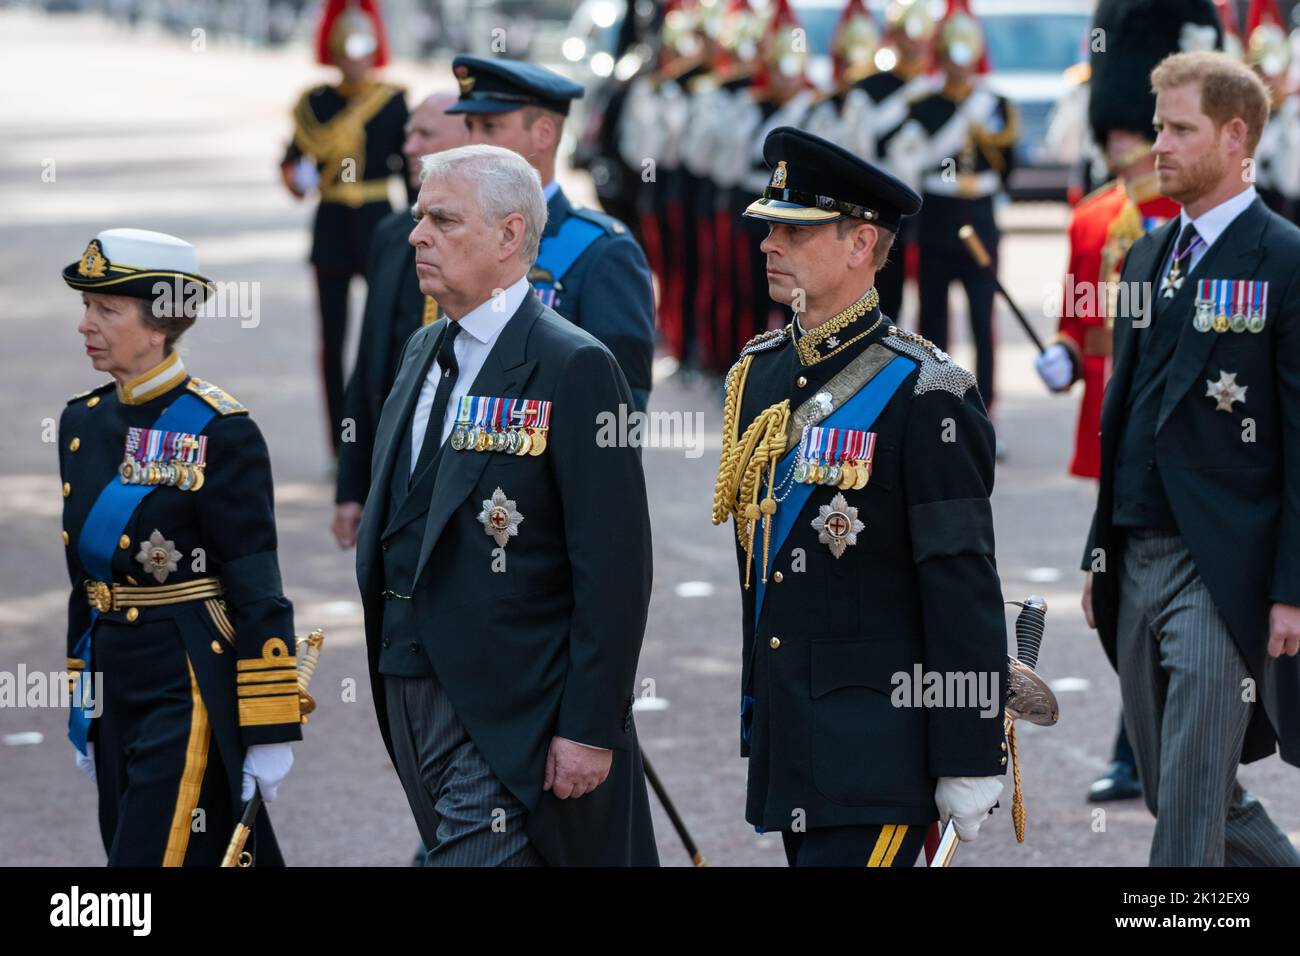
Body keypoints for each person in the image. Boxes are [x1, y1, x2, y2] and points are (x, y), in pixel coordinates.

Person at [712, 127, 1008, 867]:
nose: (768, 244)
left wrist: (970, 749)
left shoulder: (927, 390)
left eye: (793, 230)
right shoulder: (759, 374)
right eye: (770, 226)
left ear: (859, 244)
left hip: (885, 748)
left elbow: (960, 581)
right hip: (794, 737)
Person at [355, 145, 658, 866]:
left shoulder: (573, 364)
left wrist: (591, 726)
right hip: (410, 680)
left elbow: (614, 567)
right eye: (421, 216)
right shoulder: (424, 349)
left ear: (510, 235)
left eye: (443, 220)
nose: (417, 235)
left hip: (512, 698)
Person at [1081, 50, 1300, 866]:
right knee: (1181, 788)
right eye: (1157, 126)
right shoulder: (1147, 256)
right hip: (1135, 558)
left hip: (1223, 567)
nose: (1156, 146)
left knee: (1190, 804)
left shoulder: (1284, 259)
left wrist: (1291, 591)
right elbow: (1125, 418)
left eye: (1179, 129)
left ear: (1236, 135)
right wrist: (1098, 552)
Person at [59, 229, 300, 865]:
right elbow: (84, 581)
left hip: (185, 675)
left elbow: (256, 585)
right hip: (114, 675)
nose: (86, 323)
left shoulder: (223, 431)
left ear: (161, 323)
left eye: (107, 310)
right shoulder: (81, 421)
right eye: (86, 306)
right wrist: (83, 702)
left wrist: (271, 725)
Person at [1035, 0, 1221, 803]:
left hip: (1180, 427)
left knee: (1164, 594)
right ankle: (1138, 747)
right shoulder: (1091, 221)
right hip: (1116, 431)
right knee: (1123, 592)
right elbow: (1079, 323)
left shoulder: (1183, 219)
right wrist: (1065, 356)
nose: (1122, 146)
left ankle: (1149, 749)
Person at [448, 55, 656, 414]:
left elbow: (618, 412)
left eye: (490, 127)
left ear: (543, 133)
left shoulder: (603, 252)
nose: (472, 142)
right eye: (469, 125)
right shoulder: (449, 234)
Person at [333, 92, 468, 550]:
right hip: (392, 472)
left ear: (469, 138)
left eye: (424, 134)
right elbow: (368, 361)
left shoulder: (496, 242)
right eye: (409, 132)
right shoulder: (393, 235)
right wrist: (350, 486)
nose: (408, 147)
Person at [281, 0, 409, 455]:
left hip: (380, 224)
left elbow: (410, 172)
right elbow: (292, 162)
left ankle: (380, 437)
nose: (354, 58)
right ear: (332, 52)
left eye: (362, 48)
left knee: (386, 335)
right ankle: (341, 445)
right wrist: (297, 179)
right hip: (332, 225)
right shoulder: (314, 103)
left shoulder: (393, 102)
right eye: (346, 49)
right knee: (331, 340)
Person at [887, 0, 1016, 436]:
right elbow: (908, 162)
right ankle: (935, 408)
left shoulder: (994, 102)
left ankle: (984, 412)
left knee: (983, 319)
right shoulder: (924, 103)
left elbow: (1007, 164)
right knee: (934, 321)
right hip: (938, 218)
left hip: (979, 219)